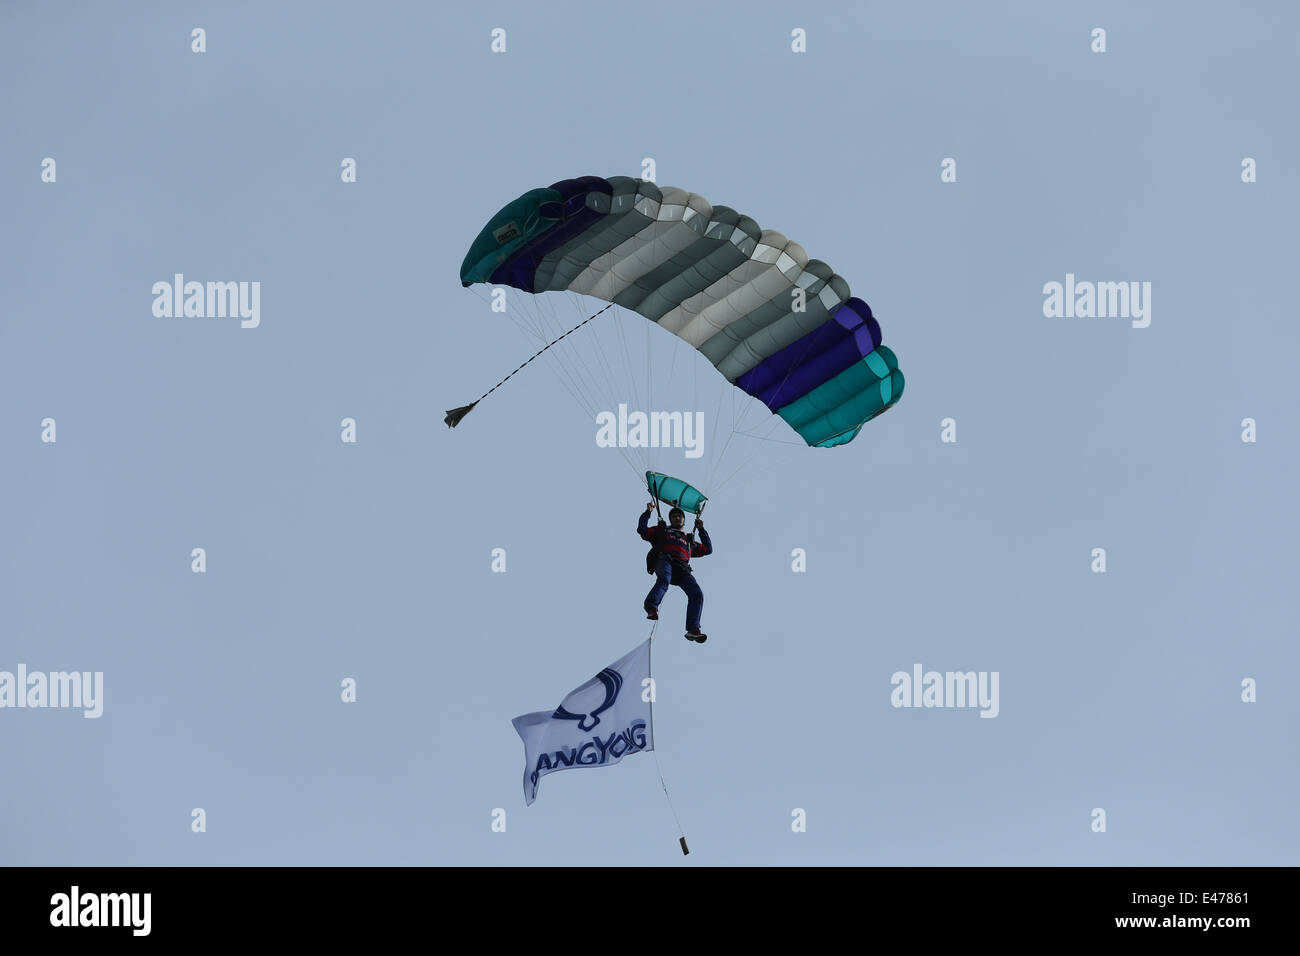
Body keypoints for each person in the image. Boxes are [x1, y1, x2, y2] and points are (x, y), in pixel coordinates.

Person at [638, 503, 713, 642]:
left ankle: (693, 629)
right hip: (665, 561)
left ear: (684, 520)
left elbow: (708, 549)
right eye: (674, 516)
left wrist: (701, 529)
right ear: (670, 520)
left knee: (697, 594)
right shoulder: (663, 531)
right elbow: (642, 530)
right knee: (664, 580)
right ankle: (651, 606)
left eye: (679, 516)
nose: (677, 518)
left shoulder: (688, 540)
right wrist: (648, 512)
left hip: (682, 569)